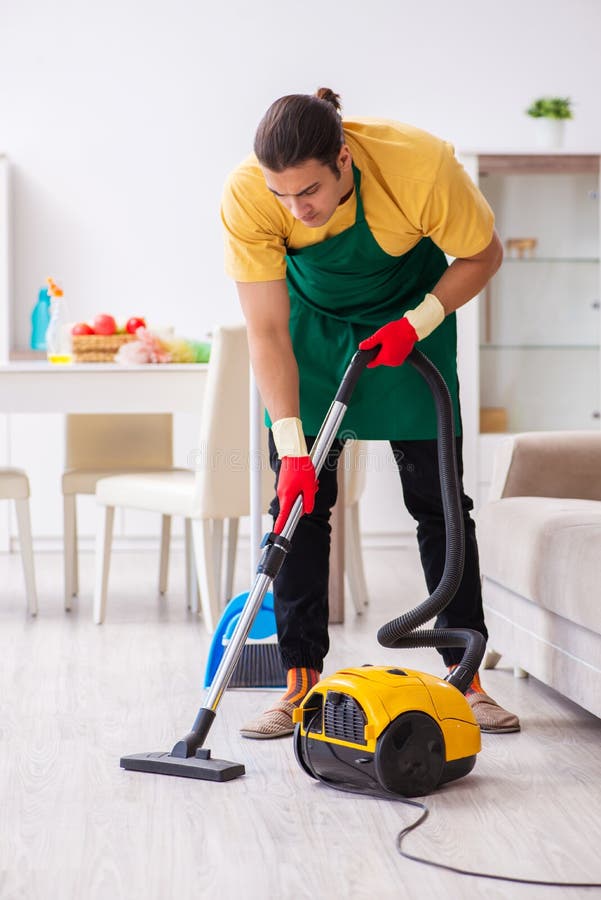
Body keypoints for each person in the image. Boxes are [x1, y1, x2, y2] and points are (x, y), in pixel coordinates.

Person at [221, 87, 519, 739]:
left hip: (412, 315)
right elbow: (267, 334)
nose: (295, 210)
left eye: (309, 193)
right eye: (282, 196)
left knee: (439, 505)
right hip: (309, 333)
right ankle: (299, 682)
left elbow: (483, 253)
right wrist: (292, 452)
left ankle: (463, 676)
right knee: (298, 506)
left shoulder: (419, 165)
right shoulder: (248, 193)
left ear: (344, 159)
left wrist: (418, 323)